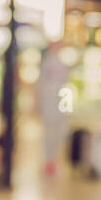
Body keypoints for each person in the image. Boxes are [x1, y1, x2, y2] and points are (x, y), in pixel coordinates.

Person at [35, 39, 70, 177]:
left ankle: (54, 160)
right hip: (48, 103)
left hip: (59, 104)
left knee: (59, 132)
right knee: (48, 133)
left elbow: (65, 86)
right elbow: (39, 85)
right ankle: (48, 161)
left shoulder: (62, 63)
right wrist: (37, 103)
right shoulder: (46, 63)